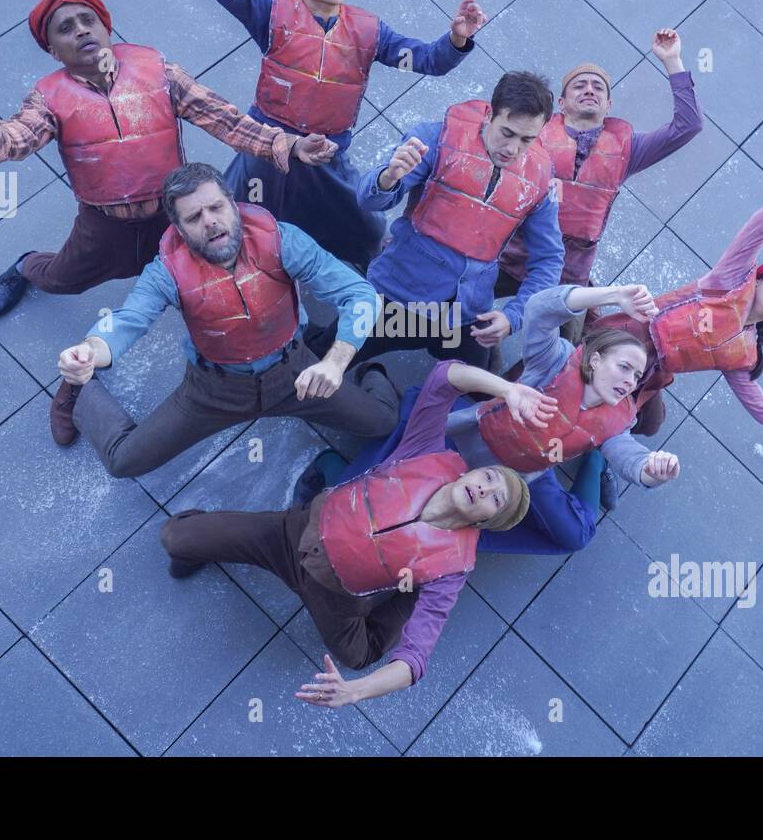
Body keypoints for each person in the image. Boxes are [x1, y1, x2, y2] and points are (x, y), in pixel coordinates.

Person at [158, 360, 534, 706]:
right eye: (488, 477)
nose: (485, 489)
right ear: (471, 472)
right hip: (293, 534)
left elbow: (415, 659)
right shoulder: (426, 452)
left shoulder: (453, 569)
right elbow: (442, 379)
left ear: (485, 521)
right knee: (175, 539)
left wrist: (354, 692)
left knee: (359, 656)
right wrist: (507, 389)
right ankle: (202, 535)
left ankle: (407, 597)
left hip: (337, 597)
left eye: (495, 500)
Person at [0, 0, 336, 317]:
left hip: (175, 212)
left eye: (88, 21)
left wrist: (288, 144)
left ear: (106, 27)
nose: (81, 31)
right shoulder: (48, 95)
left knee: (210, 275)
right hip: (104, 224)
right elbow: (23, 131)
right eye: (66, 29)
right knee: (63, 280)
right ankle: (24, 266)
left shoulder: (157, 71)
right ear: (54, 51)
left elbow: (224, 119)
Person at [51, 163, 399, 473]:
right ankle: (81, 393)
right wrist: (89, 351)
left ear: (233, 204)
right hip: (214, 389)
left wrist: (336, 363)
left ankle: (371, 371)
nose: (210, 221)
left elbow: (360, 295)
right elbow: (126, 320)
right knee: (124, 461)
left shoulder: (280, 239)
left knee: (384, 421)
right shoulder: (166, 272)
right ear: (180, 230)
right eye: (193, 218)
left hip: (294, 373)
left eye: (216, 207)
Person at [302, 283, 681, 555]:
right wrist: (611, 295)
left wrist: (652, 469)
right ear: (596, 359)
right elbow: (539, 310)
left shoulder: (615, 421)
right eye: (625, 367)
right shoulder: (555, 361)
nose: (630, 381)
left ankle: (460, 534)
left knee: (576, 536)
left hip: (513, 476)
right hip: (456, 439)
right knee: (353, 496)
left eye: (636, 376)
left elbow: (633, 458)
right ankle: (363, 404)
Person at [197, 0, 485, 269]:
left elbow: (426, 60)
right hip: (267, 149)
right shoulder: (273, 11)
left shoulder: (368, 31)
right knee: (226, 223)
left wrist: (457, 39)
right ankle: (209, 278)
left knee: (366, 230)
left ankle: (367, 289)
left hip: (325, 156)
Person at [308, 70, 565, 370]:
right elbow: (368, 200)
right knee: (319, 363)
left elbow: (549, 259)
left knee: (480, 397)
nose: (513, 149)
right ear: (489, 115)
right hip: (399, 294)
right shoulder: (436, 137)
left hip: (465, 312)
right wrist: (388, 177)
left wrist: (514, 316)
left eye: (527, 140)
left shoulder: (540, 178)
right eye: (507, 133)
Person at [606, 168, 763, 457]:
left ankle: (597, 447)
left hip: (645, 374)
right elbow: (761, 224)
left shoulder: (744, 355)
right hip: (620, 338)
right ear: (761, 279)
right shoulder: (731, 279)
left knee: (650, 422)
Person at [496, 31, 703, 342]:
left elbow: (689, 125)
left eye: (598, 87)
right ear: (562, 103)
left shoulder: (628, 148)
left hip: (569, 275)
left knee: (569, 358)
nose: (589, 90)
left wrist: (672, 60)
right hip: (510, 257)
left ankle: (514, 389)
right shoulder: (532, 134)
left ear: (609, 104)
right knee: (460, 307)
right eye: (579, 85)